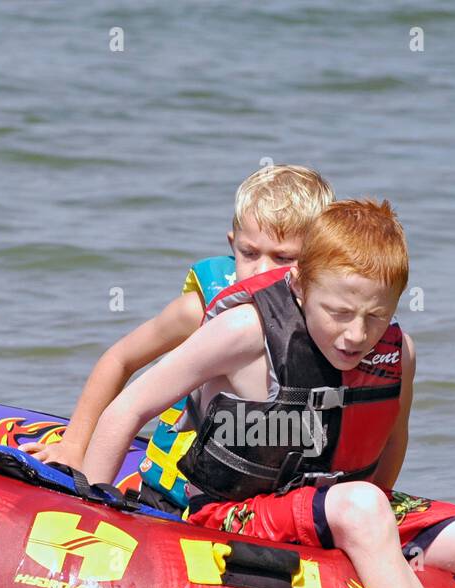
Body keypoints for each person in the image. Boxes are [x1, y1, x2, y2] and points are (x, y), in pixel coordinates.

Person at [81, 199, 455, 588]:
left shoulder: (398, 351)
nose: (356, 335)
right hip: (232, 510)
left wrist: (376, 543)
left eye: (376, 316)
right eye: (339, 313)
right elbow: (127, 410)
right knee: (362, 507)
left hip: (327, 507)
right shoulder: (246, 332)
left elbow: (391, 444)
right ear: (301, 285)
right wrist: (88, 519)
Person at [22, 163, 334, 516]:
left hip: (260, 506)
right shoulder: (199, 309)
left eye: (282, 258)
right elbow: (120, 359)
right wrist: (74, 446)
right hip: (172, 495)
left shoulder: (335, 324)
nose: (261, 271)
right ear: (233, 245)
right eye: (249, 253)